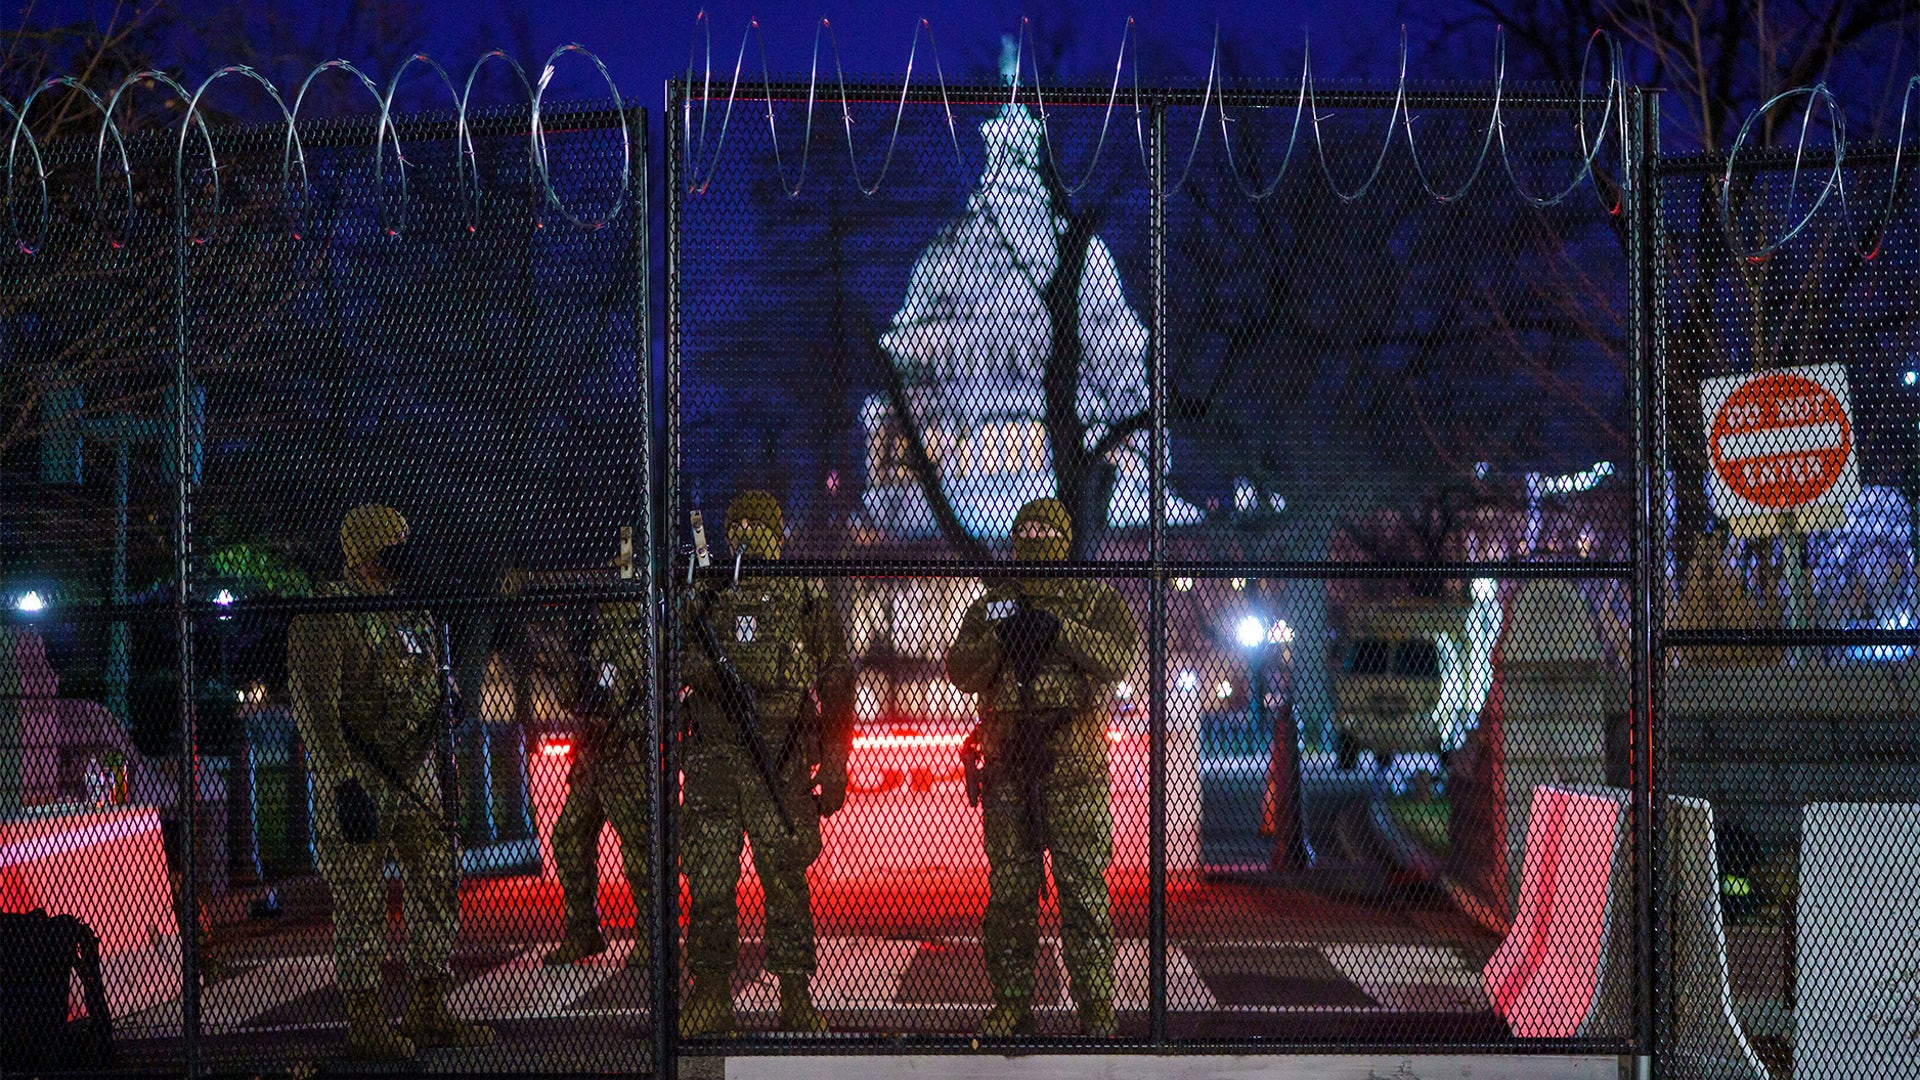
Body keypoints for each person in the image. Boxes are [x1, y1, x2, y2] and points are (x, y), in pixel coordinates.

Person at [286, 504, 494, 1062]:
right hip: (360, 774)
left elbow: (433, 677)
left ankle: (429, 1005)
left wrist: (448, 701)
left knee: (437, 874)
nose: (405, 556)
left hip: (415, 771)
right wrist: (339, 782)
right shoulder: (328, 613)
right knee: (361, 895)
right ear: (367, 550)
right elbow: (314, 705)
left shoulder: (413, 611)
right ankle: (366, 1019)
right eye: (393, 546)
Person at [945, 497, 1138, 1038]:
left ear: (1064, 538)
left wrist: (1060, 631)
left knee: (1083, 891)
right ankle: (1012, 1003)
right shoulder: (995, 605)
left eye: (1043, 531)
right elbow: (960, 669)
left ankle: (1096, 1007)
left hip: (1075, 771)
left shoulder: (1092, 599)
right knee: (1010, 891)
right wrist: (999, 639)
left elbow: (1121, 656)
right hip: (1008, 768)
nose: (1033, 539)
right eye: (1025, 530)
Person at [678, 490, 854, 1036]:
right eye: (740, 525)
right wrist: (702, 672)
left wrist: (835, 759)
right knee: (709, 880)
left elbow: (837, 676)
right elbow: (666, 657)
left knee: (785, 881)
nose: (749, 534)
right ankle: (710, 992)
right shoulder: (704, 591)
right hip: (713, 761)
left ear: (779, 536)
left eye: (761, 525)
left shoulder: (803, 592)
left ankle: (796, 995)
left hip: (779, 761)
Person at [543, 599, 652, 972]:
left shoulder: (642, 616)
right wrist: (568, 663)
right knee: (569, 835)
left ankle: (650, 936)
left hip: (628, 753)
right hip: (594, 749)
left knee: (638, 847)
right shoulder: (589, 621)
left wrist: (618, 716)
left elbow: (643, 690)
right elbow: (576, 694)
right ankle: (582, 929)